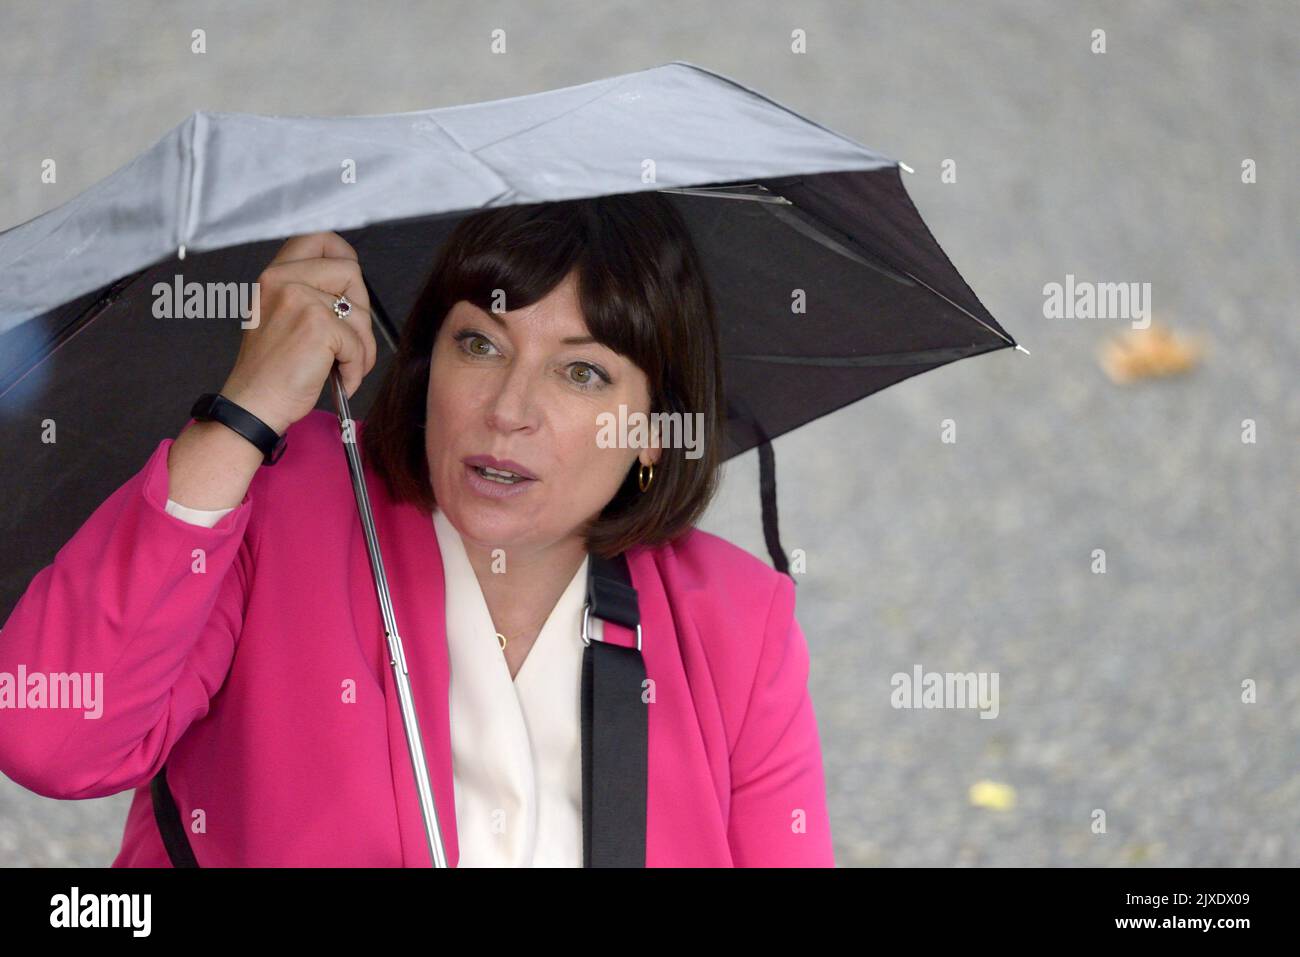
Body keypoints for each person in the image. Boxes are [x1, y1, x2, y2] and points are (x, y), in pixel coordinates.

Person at [0, 193, 834, 867]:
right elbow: (51, 737)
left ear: (656, 426)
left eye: (581, 371)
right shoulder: (281, 501)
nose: (508, 411)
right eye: (479, 344)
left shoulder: (735, 621)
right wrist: (244, 415)